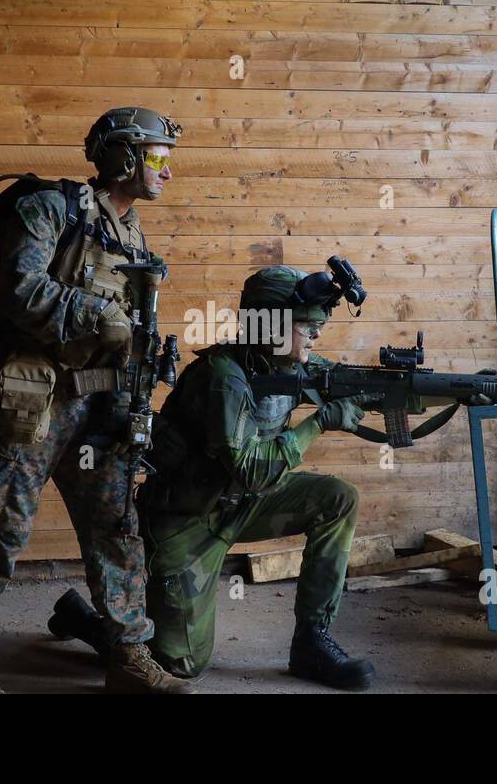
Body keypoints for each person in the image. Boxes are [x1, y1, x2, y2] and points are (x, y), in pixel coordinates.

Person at [0, 108, 191, 694]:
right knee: (3, 524)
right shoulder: (49, 209)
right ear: (124, 156)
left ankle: (128, 655)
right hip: (37, 396)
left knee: (117, 527)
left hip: (103, 405)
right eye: (158, 157)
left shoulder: (130, 231)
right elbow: (19, 289)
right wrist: (97, 315)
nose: (167, 171)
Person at [134, 265, 380, 689]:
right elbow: (250, 470)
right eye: (307, 325)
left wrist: (460, 390)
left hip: (241, 506)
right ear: (272, 325)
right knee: (180, 664)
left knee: (338, 499)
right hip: (188, 522)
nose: (316, 335)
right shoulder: (222, 379)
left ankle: (311, 643)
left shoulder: (285, 363)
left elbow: (356, 384)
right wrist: (317, 424)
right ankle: (99, 628)